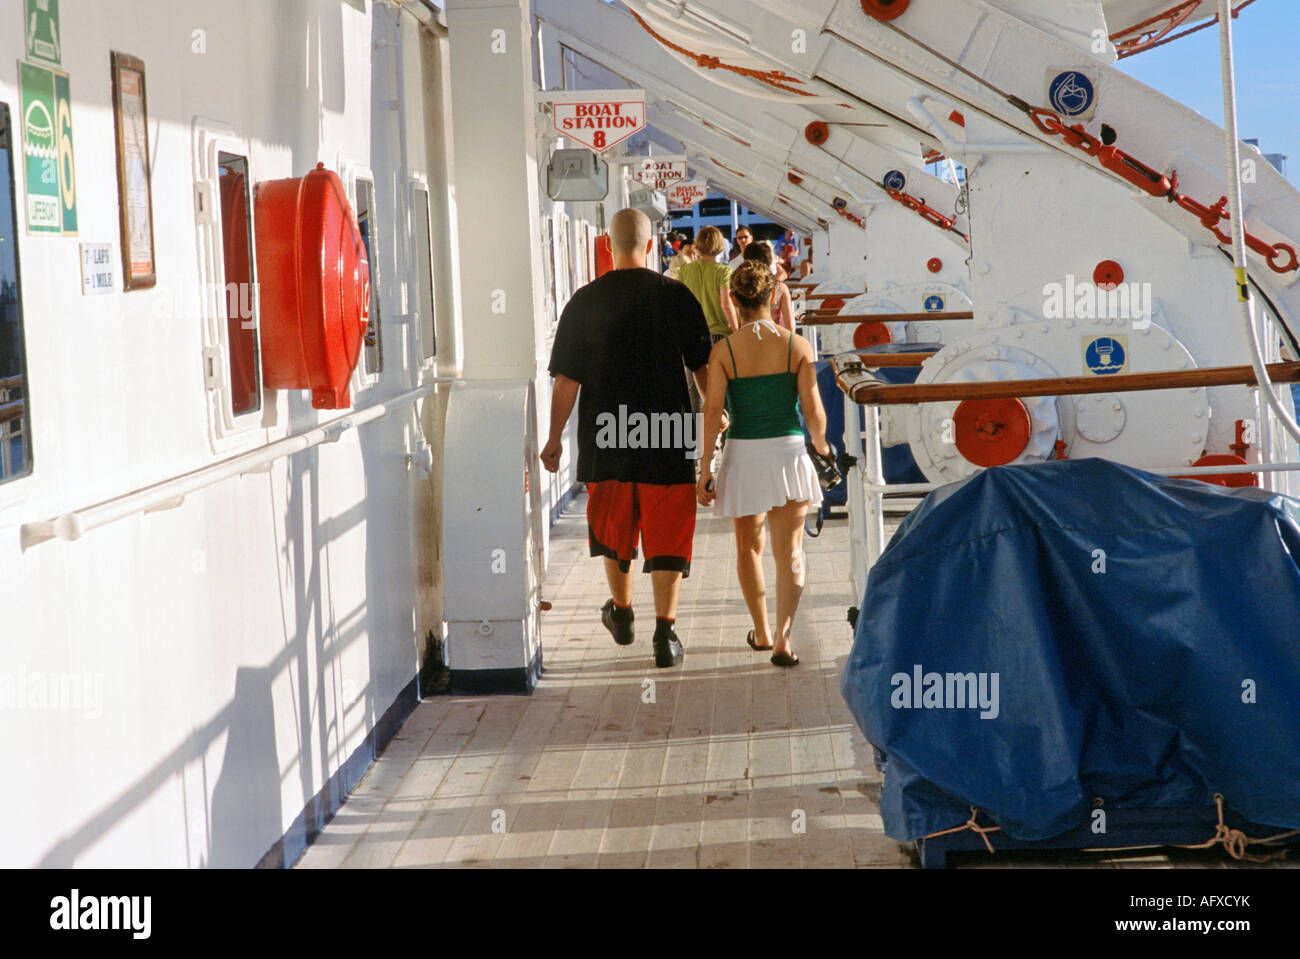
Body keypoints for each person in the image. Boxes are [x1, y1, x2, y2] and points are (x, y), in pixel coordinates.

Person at [542, 209, 711, 669]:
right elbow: (704, 369)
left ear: (607, 245)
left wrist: (554, 438)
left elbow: (566, 381)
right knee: (668, 533)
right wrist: (718, 425)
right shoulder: (677, 297)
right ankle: (666, 633)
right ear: (652, 246)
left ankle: (621, 613)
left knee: (617, 531)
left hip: (607, 437)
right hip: (669, 434)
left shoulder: (585, 301)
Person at [696, 262, 832, 668]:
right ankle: (785, 640)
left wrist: (705, 468)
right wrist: (823, 449)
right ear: (773, 298)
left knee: (748, 548)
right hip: (788, 453)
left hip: (743, 456)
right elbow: (814, 413)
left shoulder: (724, 351)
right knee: (790, 549)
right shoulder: (797, 346)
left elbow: (713, 410)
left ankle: (761, 630)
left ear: (734, 303)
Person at [677, 225, 737, 343]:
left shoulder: (684, 271)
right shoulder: (724, 272)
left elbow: (679, 304)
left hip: (692, 334)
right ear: (720, 245)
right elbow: (726, 305)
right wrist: (736, 330)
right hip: (718, 335)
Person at [742, 241, 796, 332]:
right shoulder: (780, 288)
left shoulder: (741, 288)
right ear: (769, 261)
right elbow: (790, 327)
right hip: (775, 339)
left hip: (748, 340)